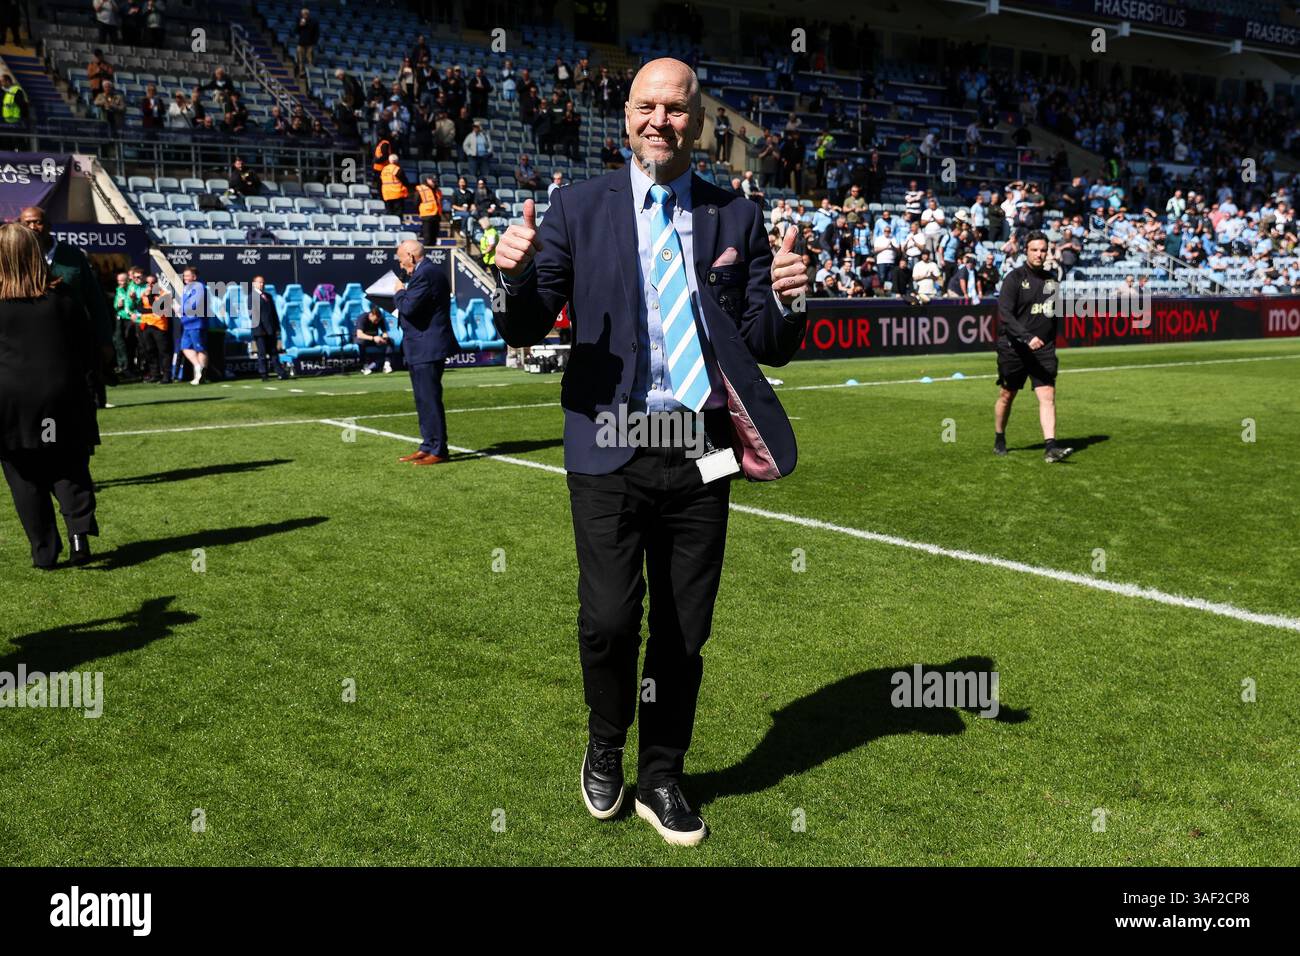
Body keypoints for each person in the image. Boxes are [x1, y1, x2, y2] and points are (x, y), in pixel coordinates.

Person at [491, 57, 809, 847]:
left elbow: (769, 344)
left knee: (683, 630)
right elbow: (529, 324)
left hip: (702, 449)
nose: (660, 120)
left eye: (676, 108)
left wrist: (792, 300)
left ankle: (662, 773)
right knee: (607, 620)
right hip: (612, 438)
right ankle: (605, 741)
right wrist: (514, 277)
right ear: (625, 115)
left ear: (699, 123)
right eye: (646, 106)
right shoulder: (576, 208)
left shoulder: (735, 215)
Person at [0, 223, 100, 569]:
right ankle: (78, 535)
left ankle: (44, 550)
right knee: (67, 465)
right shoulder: (63, 296)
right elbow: (86, 348)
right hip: (61, 397)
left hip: (11, 404)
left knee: (24, 476)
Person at [20, 207, 115, 408]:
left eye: (37, 222)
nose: (32, 227)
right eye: (26, 223)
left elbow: (95, 300)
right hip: (30, 342)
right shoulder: (15, 258)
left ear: (49, 225)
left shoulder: (73, 255)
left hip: (74, 339)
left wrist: (105, 340)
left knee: (81, 399)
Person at [994, 231, 1073, 462]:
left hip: (1043, 350)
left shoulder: (1051, 281)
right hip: (1014, 348)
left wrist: (1050, 342)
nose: (1039, 254)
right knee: (1007, 395)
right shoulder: (1014, 279)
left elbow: (1053, 315)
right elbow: (1005, 315)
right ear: (1025, 251)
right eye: (1034, 250)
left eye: (1043, 250)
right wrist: (1027, 337)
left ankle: (1051, 447)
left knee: (1047, 395)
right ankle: (1000, 436)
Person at [392, 239, 454, 465]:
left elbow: (408, 306)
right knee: (422, 399)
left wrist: (399, 293)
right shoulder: (425, 273)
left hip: (427, 346)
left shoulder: (425, 273)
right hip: (420, 346)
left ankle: (438, 448)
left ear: (410, 256)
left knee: (429, 398)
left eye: (401, 259)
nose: (400, 265)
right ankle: (428, 444)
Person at [134, 274, 171, 383]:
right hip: (146, 325)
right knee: (150, 351)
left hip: (159, 326)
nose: (150, 285)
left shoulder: (163, 294)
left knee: (163, 351)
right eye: (148, 283)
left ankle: (166, 376)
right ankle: (155, 374)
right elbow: (139, 308)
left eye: (153, 283)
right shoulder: (143, 294)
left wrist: (150, 297)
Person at [249, 275, 286, 381]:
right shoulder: (252, 297)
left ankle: (280, 372)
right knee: (262, 353)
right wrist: (261, 330)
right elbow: (254, 315)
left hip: (271, 330)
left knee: (274, 352)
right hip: (260, 331)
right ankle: (264, 374)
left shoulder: (268, 296)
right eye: (259, 282)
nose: (262, 285)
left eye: (263, 283)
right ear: (254, 284)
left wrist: (277, 327)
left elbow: (273, 313)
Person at [178, 267, 208, 385]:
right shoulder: (187, 288)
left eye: (187, 276)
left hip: (197, 322)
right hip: (187, 323)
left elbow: (195, 304)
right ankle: (198, 367)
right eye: (184, 276)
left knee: (200, 348)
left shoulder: (199, 287)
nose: (185, 278)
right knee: (185, 347)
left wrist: (180, 309)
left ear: (194, 277)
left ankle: (201, 375)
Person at [355, 304, 395, 374]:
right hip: (363, 338)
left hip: (374, 338)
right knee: (361, 342)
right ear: (371, 315)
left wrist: (384, 338)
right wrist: (373, 338)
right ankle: (364, 366)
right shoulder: (362, 318)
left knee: (390, 341)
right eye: (375, 320)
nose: (376, 322)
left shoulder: (380, 319)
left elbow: (384, 332)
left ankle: (387, 364)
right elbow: (359, 334)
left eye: (378, 320)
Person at [415, 175, 442, 245]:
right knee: (427, 237)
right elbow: (416, 203)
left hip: (436, 216)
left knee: (434, 237)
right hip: (427, 216)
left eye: (435, 182)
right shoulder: (421, 189)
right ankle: (426, 252)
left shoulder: (437, 190)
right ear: (428, 180)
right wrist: (420, 212)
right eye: (433, 181)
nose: (434, 183)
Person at [295, 7, 318, 77]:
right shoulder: (300, 21)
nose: (304, 15)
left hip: (310, 44)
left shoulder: (313, 22)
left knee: (310, 60)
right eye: (303, 14)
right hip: (301, 43)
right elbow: (296, 31)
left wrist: (314, 42)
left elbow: (316, 33)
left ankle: (310, 74)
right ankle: (301, 72)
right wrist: (300, 25)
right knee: (300, 59)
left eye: (305, 14)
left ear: (308, 14)